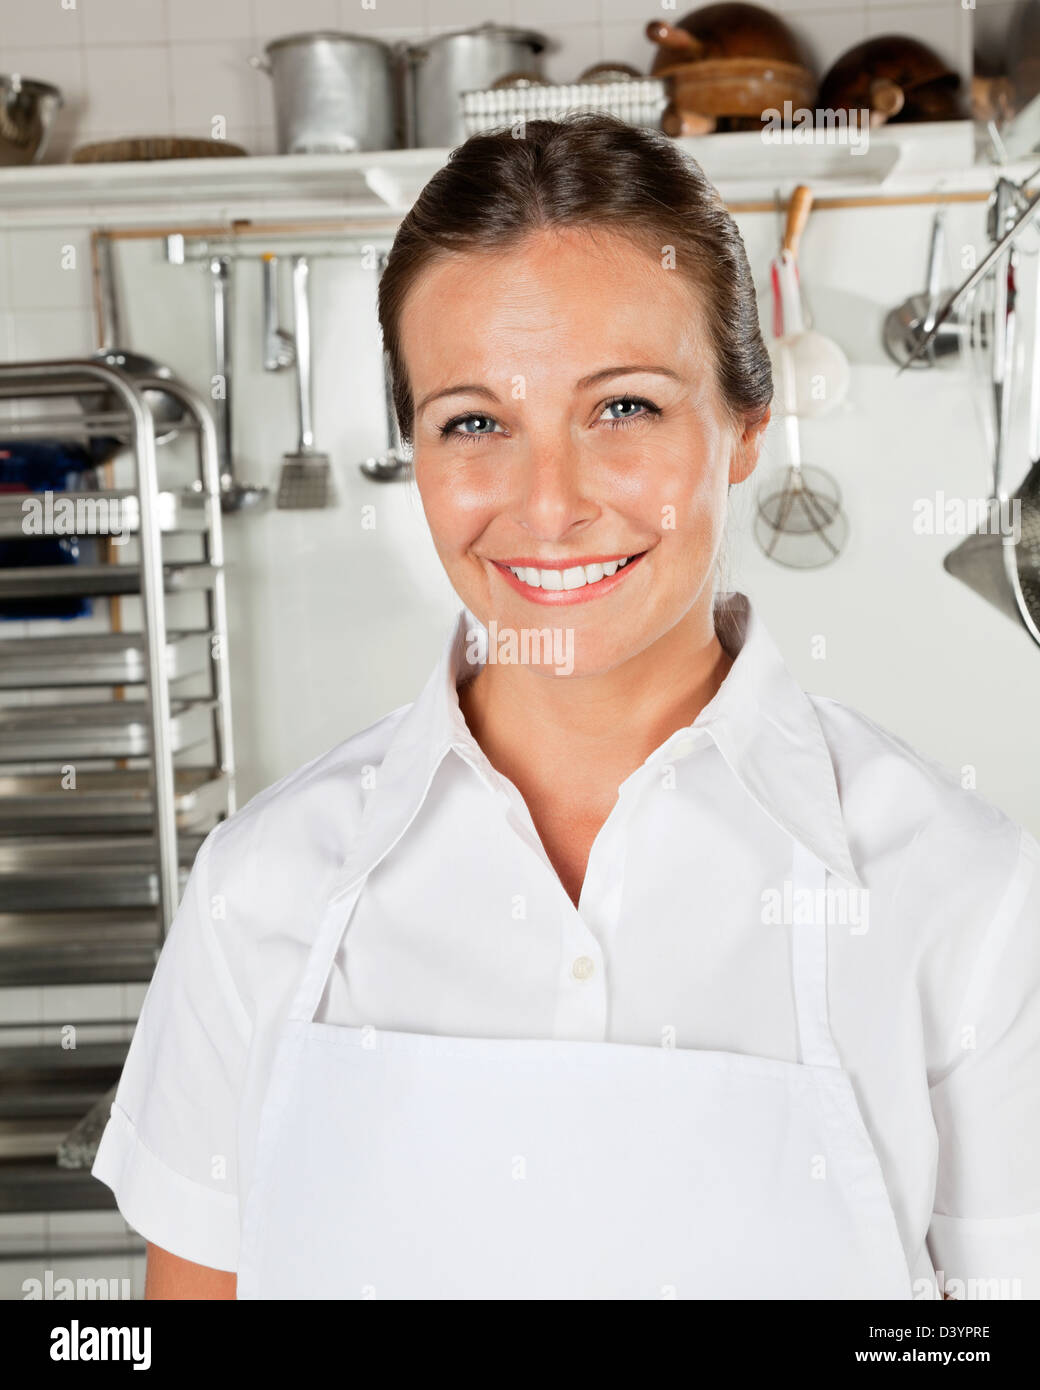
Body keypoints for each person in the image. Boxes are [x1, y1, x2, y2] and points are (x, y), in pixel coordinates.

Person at [92, 114, 1040, 1300]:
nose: (547, 506)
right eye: (474, 422)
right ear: (418, 456)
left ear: (744, 427)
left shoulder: (959, 894)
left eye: (625, 408)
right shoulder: (261, 885)